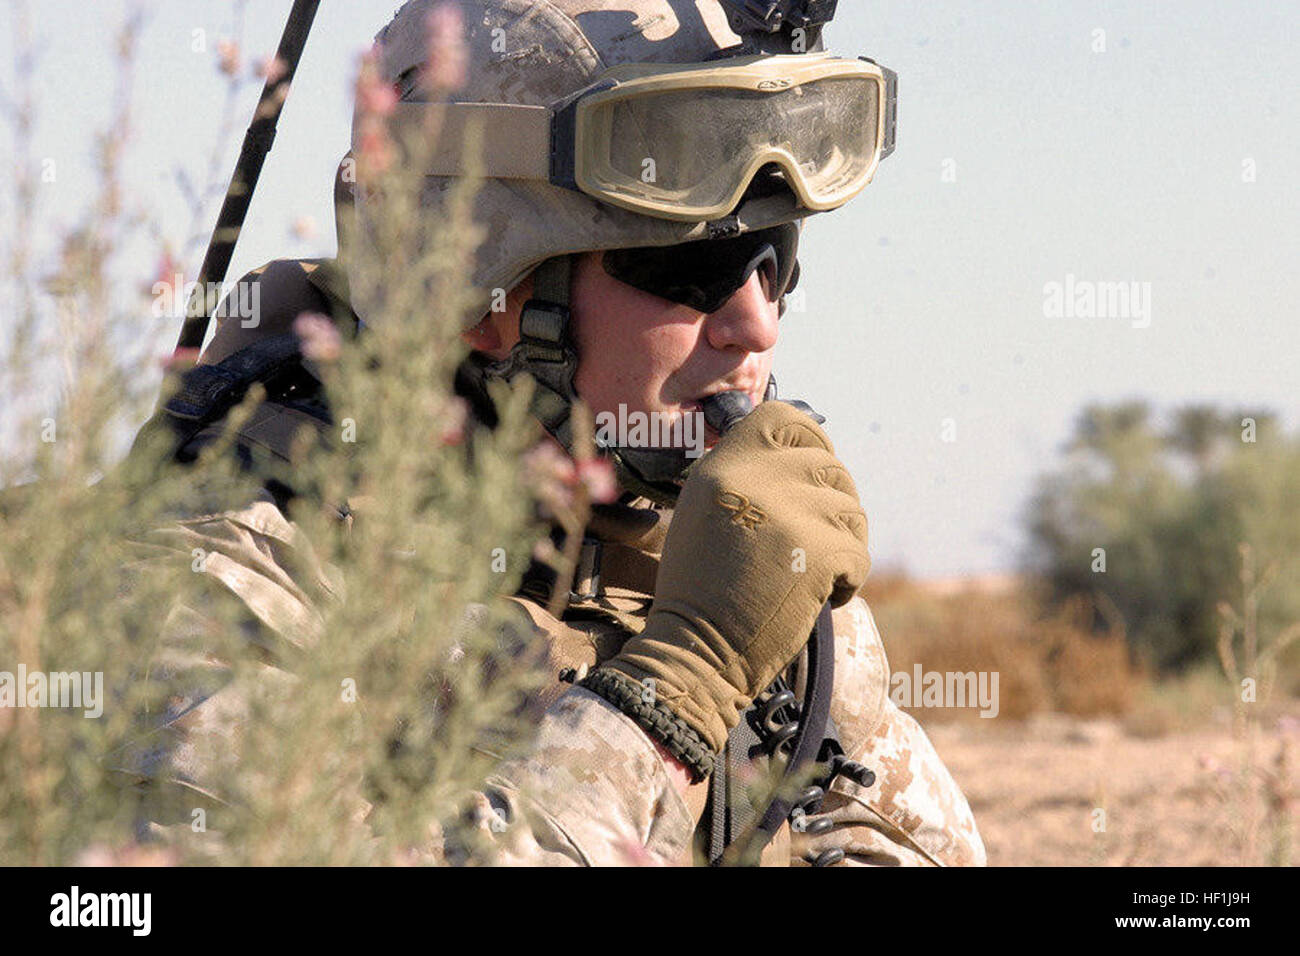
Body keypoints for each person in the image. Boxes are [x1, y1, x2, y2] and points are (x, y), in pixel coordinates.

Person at [129, 0, 985, 867]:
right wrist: (674, 695)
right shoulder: (230, 569)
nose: (755, 325)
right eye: (692, 266)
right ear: (477, 294)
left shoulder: (728, 552)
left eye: (776, 258)